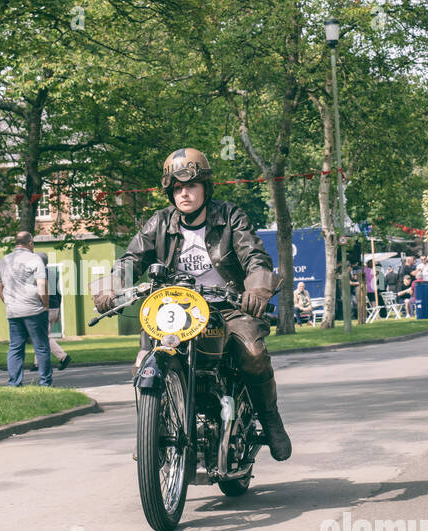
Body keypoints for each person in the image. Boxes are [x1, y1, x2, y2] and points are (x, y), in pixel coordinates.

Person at [93, 147, 290, 459]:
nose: (183, 193)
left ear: (205, 187)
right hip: (173, 309)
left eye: (191, 186)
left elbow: (254, 256)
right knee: (143, 361)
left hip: (226, 307)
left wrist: (256, 289)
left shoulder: (229, 217)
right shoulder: (158, 223)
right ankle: (152, 431)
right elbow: (129, 260)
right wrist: (109, 289)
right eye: (177, 188)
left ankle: (270, 418)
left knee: (253, 352)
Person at [0, 232, 52, 386]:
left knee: (15, 347)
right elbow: (42, 284)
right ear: (30, 243)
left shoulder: (3, 261)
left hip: (13, 310)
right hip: (34, 310)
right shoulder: (35, 259)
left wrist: (7, 302)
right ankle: (45, 382)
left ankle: (14, 382)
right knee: (41, 346)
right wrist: (45, 304)